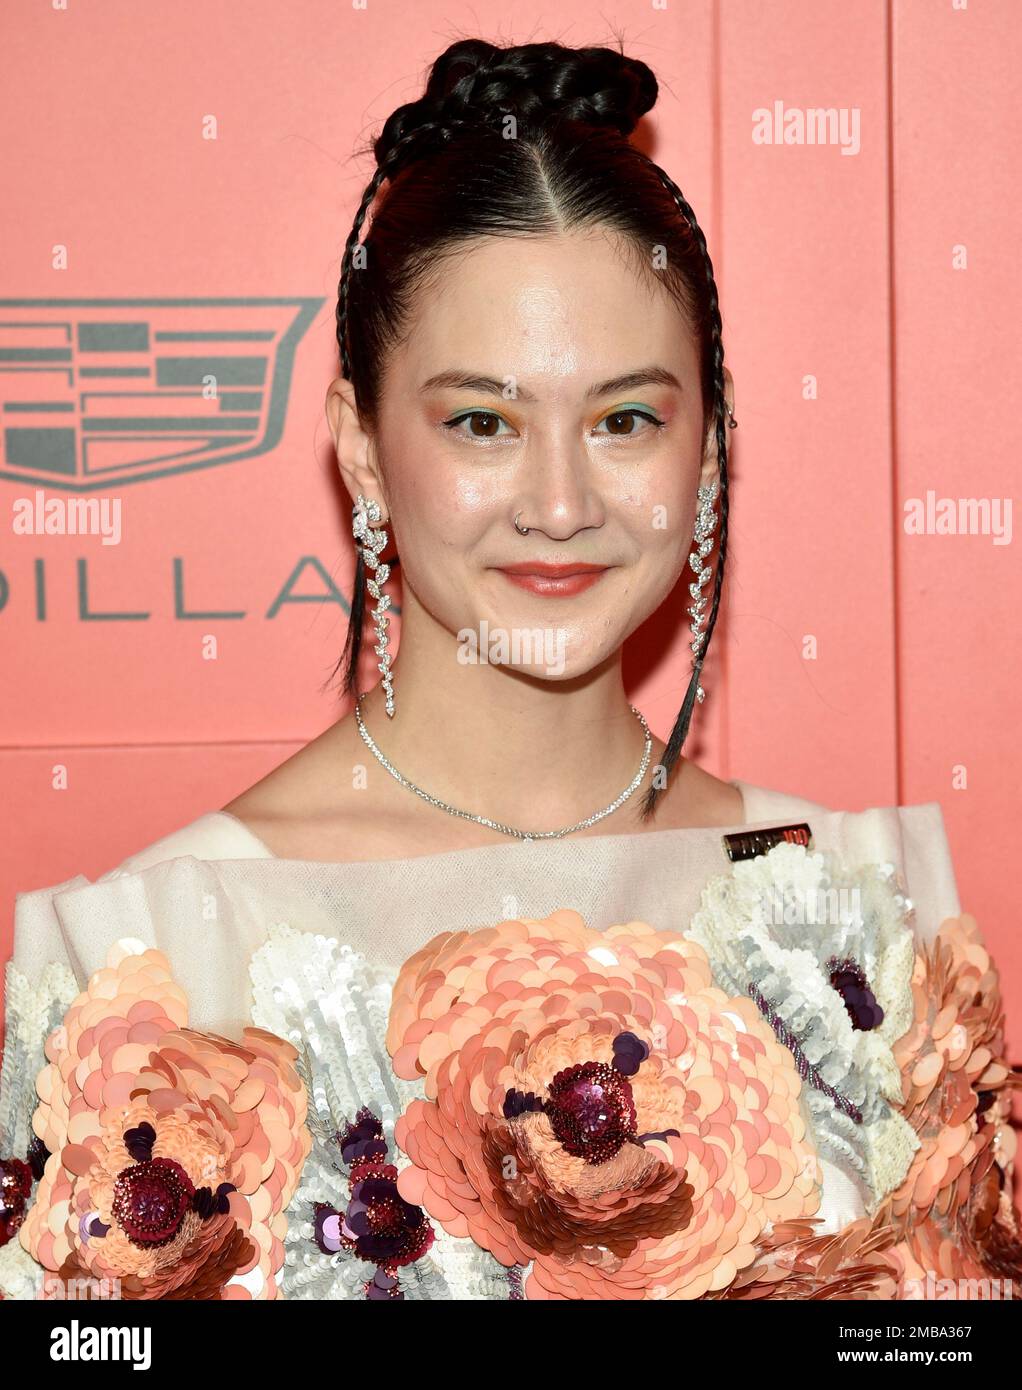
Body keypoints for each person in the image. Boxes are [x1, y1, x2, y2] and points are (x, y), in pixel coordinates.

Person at [0, 38, 1017, 1303]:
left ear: (709, 447)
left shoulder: (855, 929)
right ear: (361, 446)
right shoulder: (158, 959)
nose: (557, 501)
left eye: (624, 420)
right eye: (481, 420)